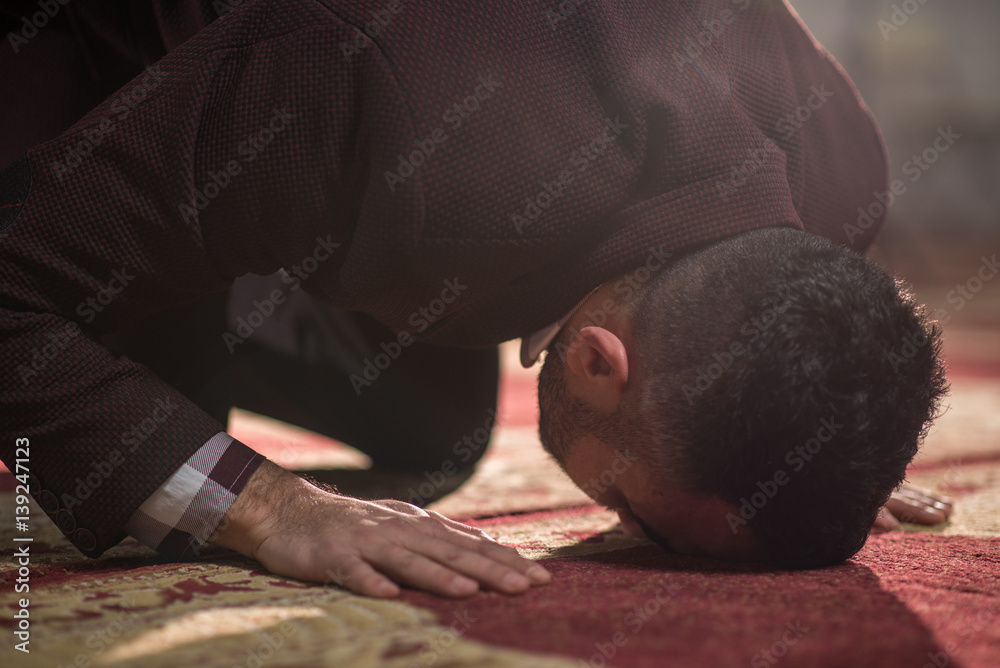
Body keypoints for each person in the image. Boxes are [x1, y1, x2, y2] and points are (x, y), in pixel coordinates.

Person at [0, 0, 950, 599]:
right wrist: (270, 507)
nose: (625, 531)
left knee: (435, 434)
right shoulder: (398, 121)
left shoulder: (836, 172)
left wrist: (818, 449)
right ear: (596, 358)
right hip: (105, 43)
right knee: (142, 452)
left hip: (338, 115)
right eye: (642, 518)